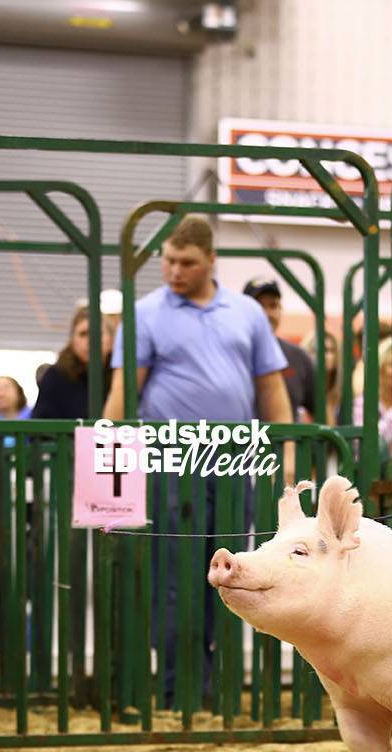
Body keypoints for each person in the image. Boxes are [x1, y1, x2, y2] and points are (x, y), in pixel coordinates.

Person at [102, 216, 294, 710]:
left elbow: (271, 387)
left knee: (230, 570)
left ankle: (218, 685)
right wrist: (107, 479)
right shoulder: (143, 313)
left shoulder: (246, 313)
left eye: (186, 262)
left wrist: (288, 454)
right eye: (168, 260)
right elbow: (124, 392)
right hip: (168, 460)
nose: (173, 271)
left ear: (211, 260)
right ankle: (176, 689)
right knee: (173, 577)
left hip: (234, 461)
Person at [244, 276, 317, 423]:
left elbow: (320, 410)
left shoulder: (297, 357)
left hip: (285, 444)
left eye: (273, 305)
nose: (267, 313)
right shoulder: (233, 354)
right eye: (259, 306)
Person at [32, 301, 115, 419]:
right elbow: (41, 429)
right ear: (72, 341)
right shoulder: (55, 377)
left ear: (111, 340)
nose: (91, 340)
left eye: (98, 333)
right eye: (83, 334)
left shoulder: (121, 376)